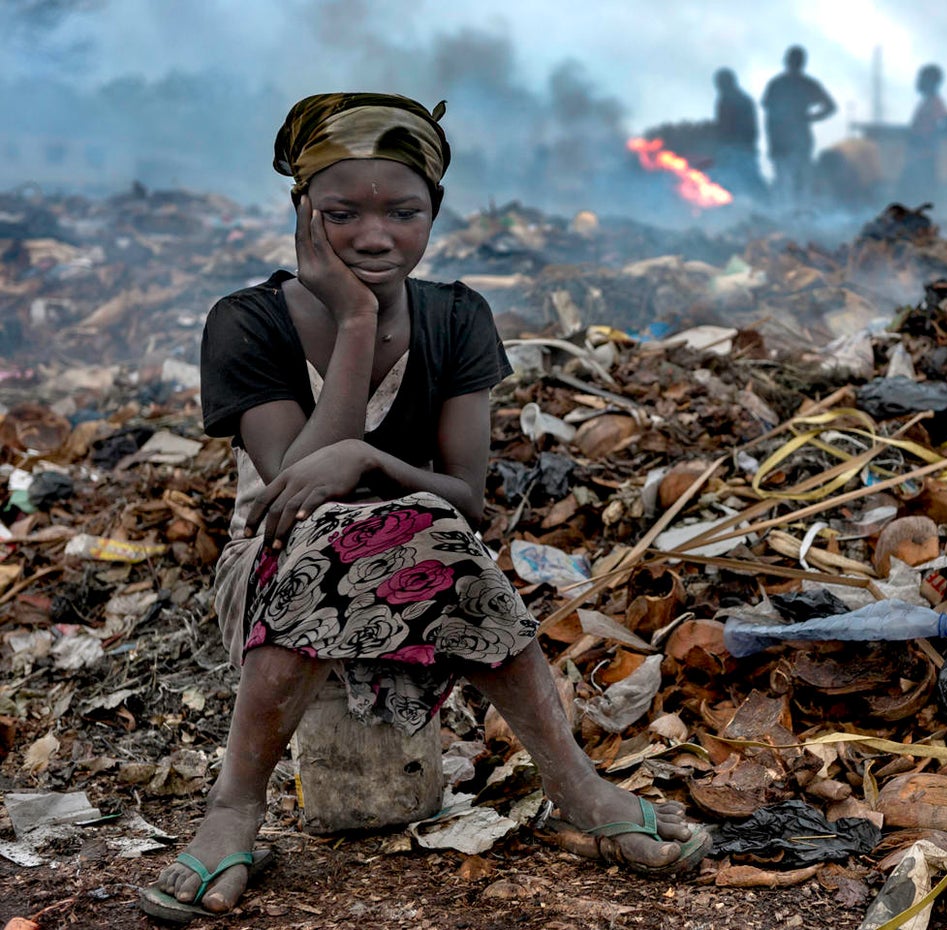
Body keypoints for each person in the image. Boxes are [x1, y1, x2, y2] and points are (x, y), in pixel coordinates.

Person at [139, 92, 710, 923]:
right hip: (273, 565)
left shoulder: (457, 317)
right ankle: (233, 807)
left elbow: (467, 500)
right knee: (345, 532)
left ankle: (575, 785)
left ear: (433, 213)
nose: (375, 236)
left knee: (430, 526)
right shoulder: (246, 322)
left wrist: (372, 458)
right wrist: (357, 319)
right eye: (342, 214)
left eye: (403, 213)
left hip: (430, 570)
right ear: (302, 213)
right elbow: (295, 487)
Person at [761, 45, 836, 204]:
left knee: (794, 179)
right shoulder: (782, 84)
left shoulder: (791, 84)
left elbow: (830, 107)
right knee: (789, 180)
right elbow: (769, 112)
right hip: (785, 139)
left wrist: (809, 118)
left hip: (795, 138)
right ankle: (792, 211)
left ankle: (795, 211)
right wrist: (810, 118)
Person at [899, 64, 947, 204]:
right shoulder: (926, 102)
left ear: (931, 83)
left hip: (925, 158)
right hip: (917, 157)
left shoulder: (935, 102)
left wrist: (928, 139)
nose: (918, 82)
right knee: (909, 193)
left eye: (922, 79)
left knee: (919, 194)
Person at [711, 67, 766, 200]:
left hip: (740, 148)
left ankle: (766, 204)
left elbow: (729, 126)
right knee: (735, 180)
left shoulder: (735, 100)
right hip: (736, 148)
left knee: (748, 180)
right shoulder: (730, 99)